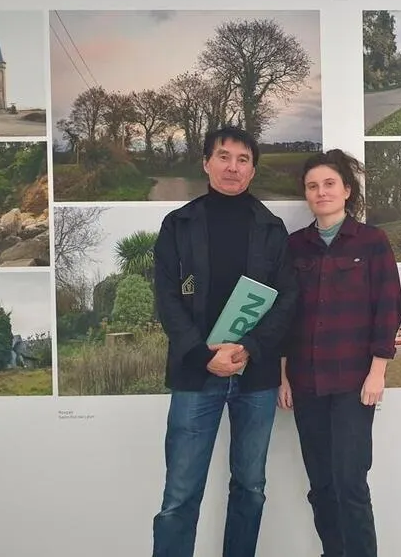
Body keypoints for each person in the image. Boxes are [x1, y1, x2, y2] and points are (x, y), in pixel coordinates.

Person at [151, 125, 298, 557]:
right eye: (224, 157)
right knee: (179, 496)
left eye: (243, 159)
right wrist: (201, 355)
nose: (233, 167)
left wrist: (249, 348)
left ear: (252, 170)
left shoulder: (272, 229)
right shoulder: (178, 224)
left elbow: (287, 299)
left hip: (256, 377)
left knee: (251, 487)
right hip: (196, 375)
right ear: (206, 163)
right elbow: (166, 297)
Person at [278, 149, 401, 557]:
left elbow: (388, 307)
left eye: (329, 184)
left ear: (347, 190)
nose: (321, 192)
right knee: (321, 486)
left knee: (350, 483)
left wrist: (378, 371)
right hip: (306, 382)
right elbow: (284, 313)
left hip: (353, 382)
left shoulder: (372, 242)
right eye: (313, 186)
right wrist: (283, 376)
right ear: (306, 195)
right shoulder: (295, 247)